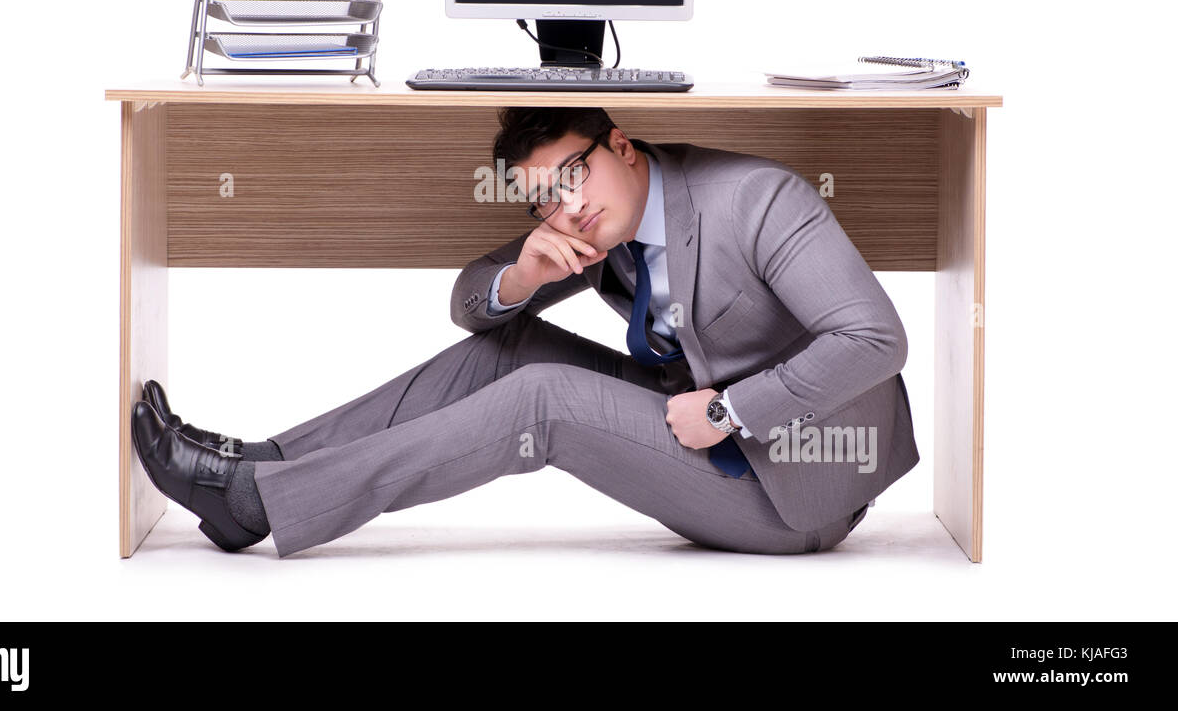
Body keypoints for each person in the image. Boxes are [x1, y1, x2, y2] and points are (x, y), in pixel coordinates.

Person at [132, 106, 919, 557]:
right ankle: (261, 465)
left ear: (622, 145)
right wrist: (526, 277)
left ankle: (259, 501)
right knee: (506, 347)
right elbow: (470, 304)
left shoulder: (755, 199)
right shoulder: (591, 228)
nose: (566, 210)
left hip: (795, 485)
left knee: (541, 399)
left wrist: (727, 410)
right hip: (702, 425)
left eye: (573, 178)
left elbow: (876, 338)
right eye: (543, 200)